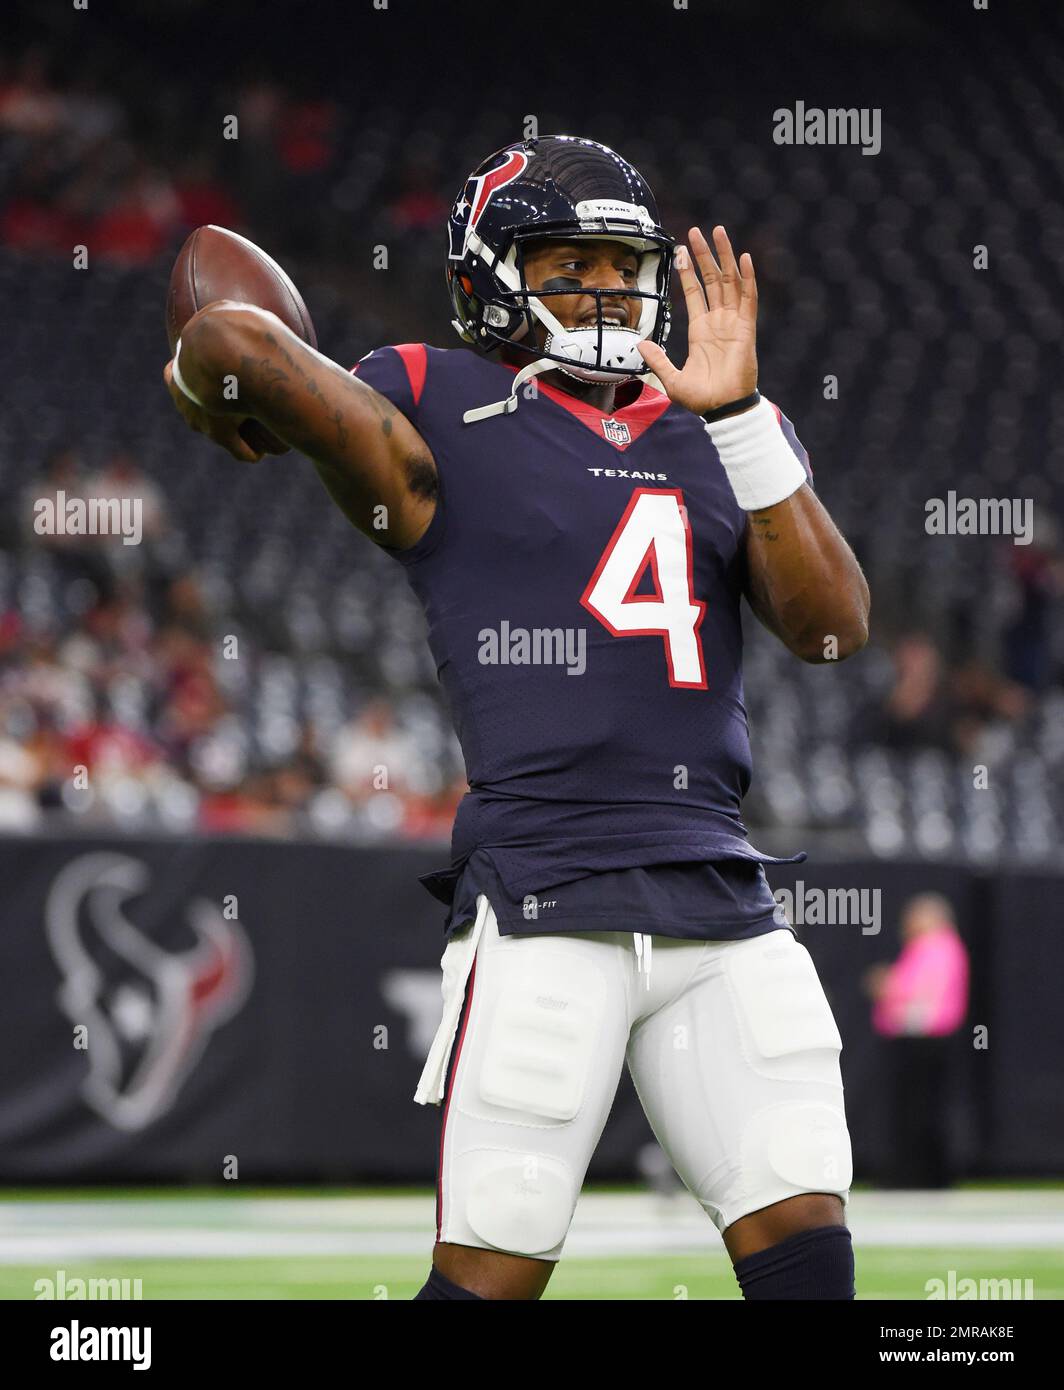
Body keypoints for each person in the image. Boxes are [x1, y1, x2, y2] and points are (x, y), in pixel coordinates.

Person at [163, 135, 870, 1300]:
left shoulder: (722, 423)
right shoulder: (438, 393)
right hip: (549, 894)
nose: (602, 288)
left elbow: (831, 628)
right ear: (487, 276)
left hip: (718, 895)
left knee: (806, 1248)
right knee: (494, 1263)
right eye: (566, 264)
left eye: (618, 263)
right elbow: (235, 340)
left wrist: (739, 413)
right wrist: (209, 373)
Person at [864, 893, 969, 1189]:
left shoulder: (938, 947)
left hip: (925, 1040)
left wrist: (888, 986)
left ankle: (920, 1177)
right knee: (913, 1111)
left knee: (920, 1111)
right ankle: (911, 1175)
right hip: (915, 1039)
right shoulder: (924, 948)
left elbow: (922, 993)